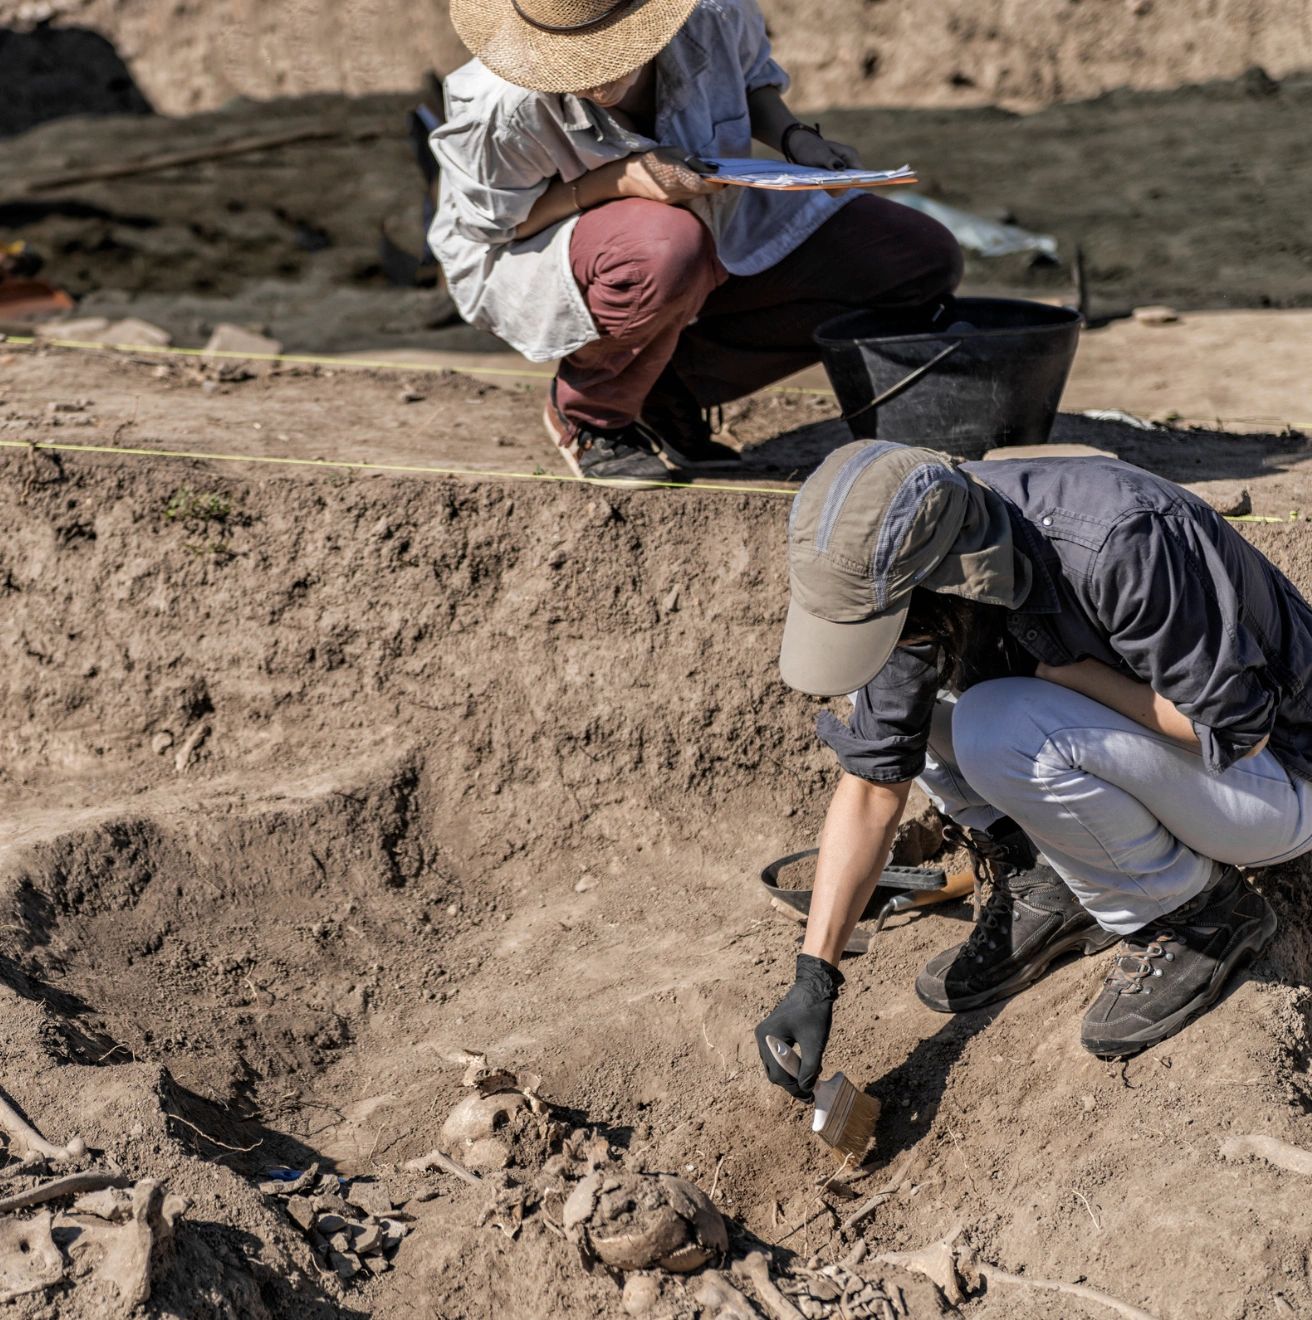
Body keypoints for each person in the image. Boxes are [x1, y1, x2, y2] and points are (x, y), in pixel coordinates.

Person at [755, 441, 1312, 1101]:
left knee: (995, 725)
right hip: (1163, 761)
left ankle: (1194, 916)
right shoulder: (921, 569)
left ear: (939, 573)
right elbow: (877, 782)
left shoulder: (1115, 541)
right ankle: (1051, 883)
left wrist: (1073, 677)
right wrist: (814, 976)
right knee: (910, 710)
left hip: (1279, 777)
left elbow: (1237, 730)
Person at [432, 0, 962, 486]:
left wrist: (796, 139)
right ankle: (593, 412)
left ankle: (667, 388)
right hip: (549, 245)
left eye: (609, 56)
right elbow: (500, 225)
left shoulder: (711, 15)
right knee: (666, 247)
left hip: (712, 219)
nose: (594, 83)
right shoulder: (502, 104)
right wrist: (620, 181)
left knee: (914, 258)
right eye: (572, 68)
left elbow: (750, 81)